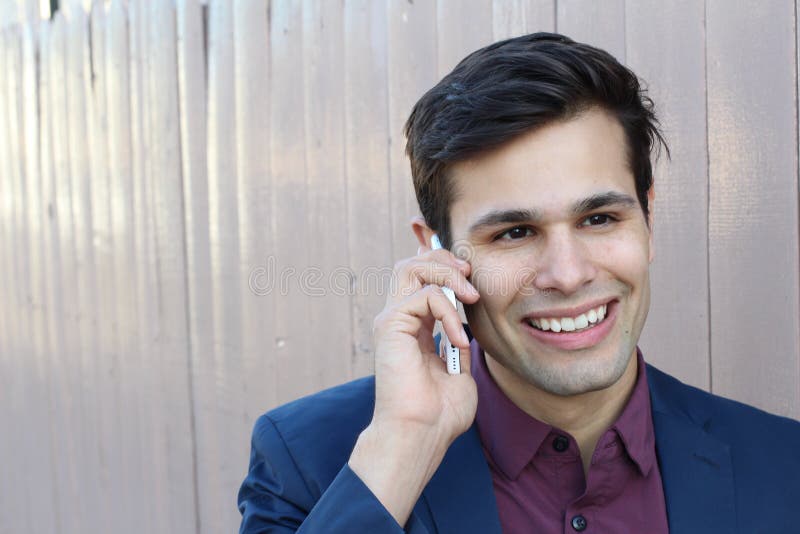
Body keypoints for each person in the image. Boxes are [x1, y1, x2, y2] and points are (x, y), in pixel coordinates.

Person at [238, 32, 800, 533]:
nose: (568, 274)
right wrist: (403, 446)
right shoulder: (308, 463)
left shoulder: (784, 466)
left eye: (599, 219)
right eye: (514, 233)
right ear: (435, 252)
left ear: (647, 220)